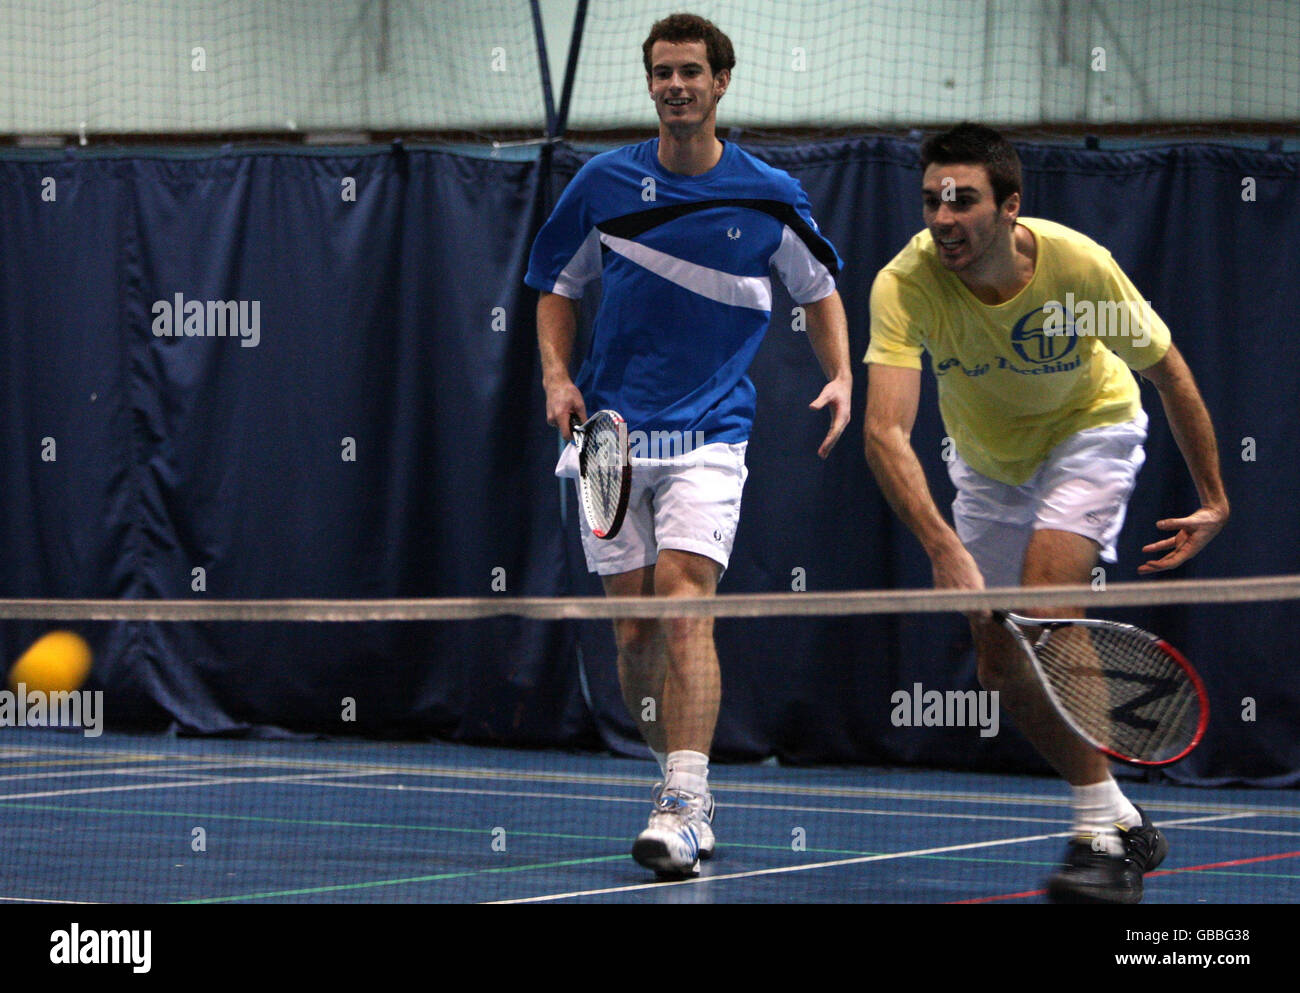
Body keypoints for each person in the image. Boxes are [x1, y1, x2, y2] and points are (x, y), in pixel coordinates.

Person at [863, 122, 1228, 903]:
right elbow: (885, 430)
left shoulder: (1078, 266)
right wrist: (939, 546)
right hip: (990, 465)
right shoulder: (906, 283)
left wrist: (1215, 498)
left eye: (962, 200)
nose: (943, 217)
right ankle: (1117, 813)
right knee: (999, 661)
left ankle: (1097, 842)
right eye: (932, 200)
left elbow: (1169, 373)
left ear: (1009, 207)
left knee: (1050, 614)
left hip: (1088, 428)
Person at [525, 12, 852, 878]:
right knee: (632, 632)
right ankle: (675, 784)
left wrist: (843, 374)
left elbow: (818, 289)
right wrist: (559, 376)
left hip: (711, 432)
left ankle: (685, 801)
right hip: (610, 443)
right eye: (662, 72)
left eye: (691, 72)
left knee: (682, 603)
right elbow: (554, 286)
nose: (676, 85)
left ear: (721, 84)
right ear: (651, 85)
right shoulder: (601, 184)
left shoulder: (767, 192)